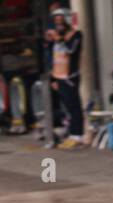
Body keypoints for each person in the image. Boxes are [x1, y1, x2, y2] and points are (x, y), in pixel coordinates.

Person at [44, 6, 84, 147]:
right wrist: (49, 41)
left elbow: (71, 49)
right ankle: (69, 132)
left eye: (61, 21)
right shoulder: (56, 37)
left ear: (67, 21)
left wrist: (58, 39)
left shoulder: (76, 35)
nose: (58, 24)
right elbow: (53, 57)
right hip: (58, 76)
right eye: (56, 22)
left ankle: (77, 136)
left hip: (70, 76)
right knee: (65, 107)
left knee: (74, 106)